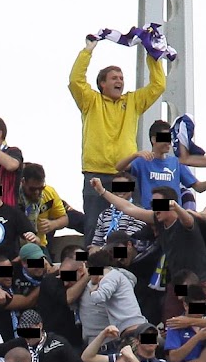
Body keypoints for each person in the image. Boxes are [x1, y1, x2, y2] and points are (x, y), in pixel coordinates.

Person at [69, 35, 167, 232]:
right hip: (96, 173)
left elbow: (159, 86)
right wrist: (87, 51)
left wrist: (152, 55)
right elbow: (75, 81)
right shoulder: (91, 101)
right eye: (114, 78)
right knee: (94, 226)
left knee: (131, 225)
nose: (119, 81)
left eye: (121, 78)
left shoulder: (133, 101)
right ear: (102, 83)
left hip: (126, 174)